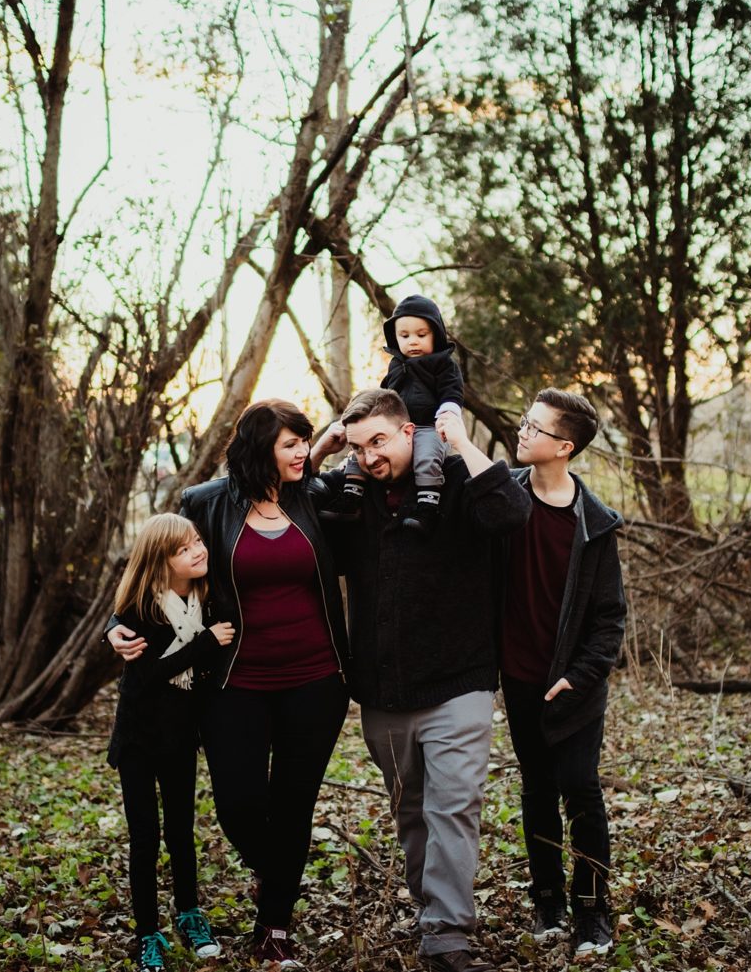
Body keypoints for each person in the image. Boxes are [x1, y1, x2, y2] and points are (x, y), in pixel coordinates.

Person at [114, 399, 350, 970]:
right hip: (234, 680)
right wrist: (115, 627)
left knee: (295, 803)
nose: (302, 452)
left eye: (306, 442)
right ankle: (281, 878)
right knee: (238, 806)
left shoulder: (315, 498)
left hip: (316, 679)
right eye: (291, 443)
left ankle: (274, 926)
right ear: (260, 448)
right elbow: (157, 567)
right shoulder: (205, 503)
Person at [312, 387, 530, 972]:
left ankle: (446, 938)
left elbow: (513, 512)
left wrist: (458, 439)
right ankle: (432, 911)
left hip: (460, 680)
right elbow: (272, 503)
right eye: (357, 447)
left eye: (378, 441)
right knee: (411, 813)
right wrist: (322, 449)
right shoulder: (349, 496)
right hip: (382, 692)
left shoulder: (455, 482)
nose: (368, 457)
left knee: (453, 806)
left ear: (410, 432)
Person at [499, 389, 626, 959]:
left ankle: (593, 909)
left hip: (574, 686)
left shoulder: (594, 524)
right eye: (525, 422)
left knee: (581, 790)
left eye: (535, 427)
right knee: (536, 790)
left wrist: (580, 675)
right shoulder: (505, 499)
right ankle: (547, 899)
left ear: (564, 446)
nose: (523, 431)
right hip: (519, 677)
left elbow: (609, 618)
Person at [103, 513, 235, 971]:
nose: (198, 550)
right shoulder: (143, 609)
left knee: (181, 834)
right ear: (161, 561)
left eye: (197, 541)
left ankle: (189, 914)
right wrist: (205, 644)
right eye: (184, 549)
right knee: (145, 839)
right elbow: (149, 674)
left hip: (180, 737)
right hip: (139, 738)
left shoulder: (207, 594)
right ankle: (146, 935)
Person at [337, 294, 464, 533]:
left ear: (435, 334)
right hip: (395, 427)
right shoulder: (395, 365)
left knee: (426, 457)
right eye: (404, 336)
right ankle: (350, 497)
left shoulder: (443, 364)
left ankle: (427, 505)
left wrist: (448, 413)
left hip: (428, 427)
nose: (412, 342)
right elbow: (382, 396)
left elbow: (452, 392)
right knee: (360, 451)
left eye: (421, 335)